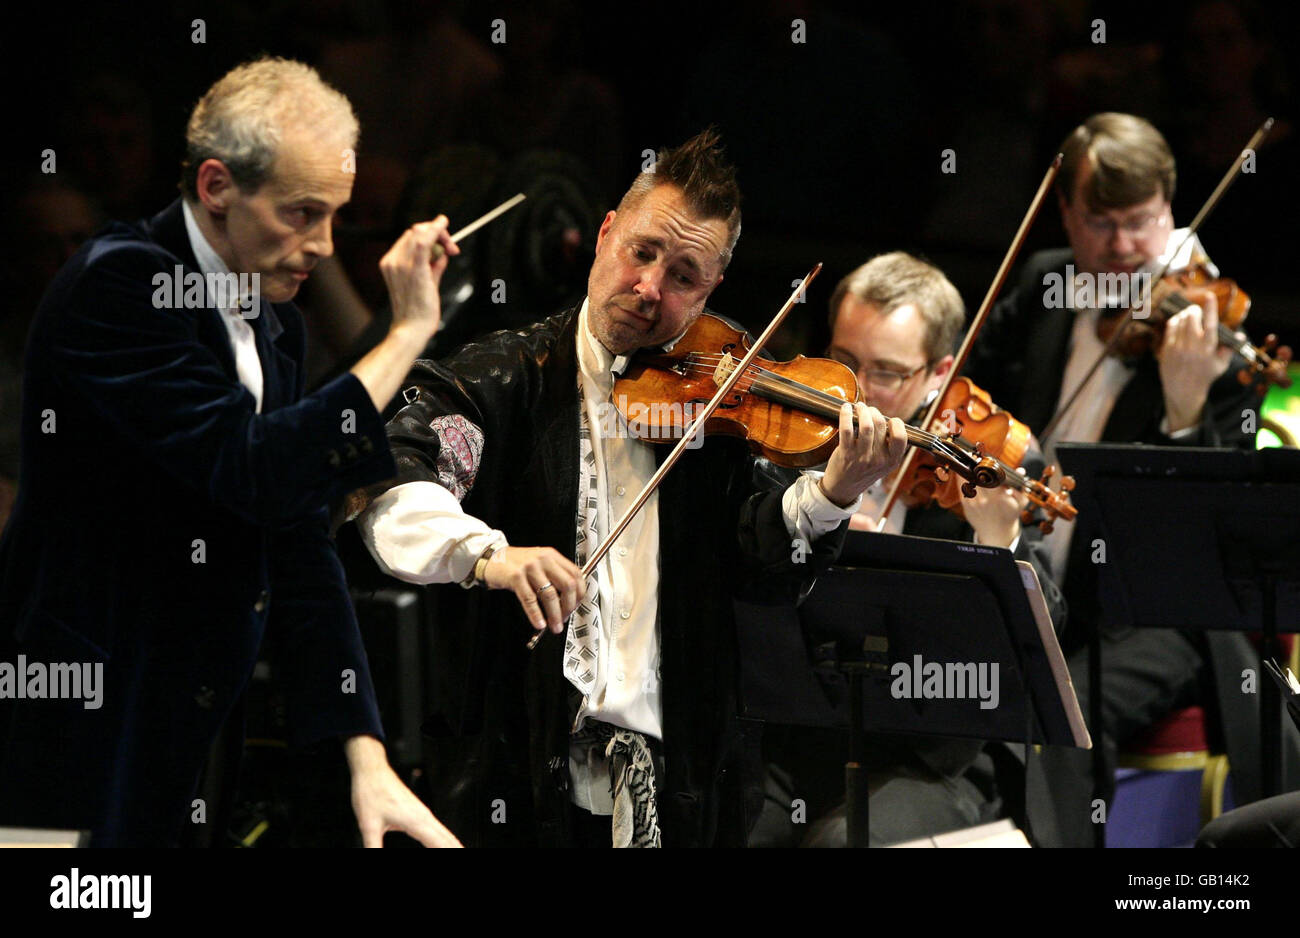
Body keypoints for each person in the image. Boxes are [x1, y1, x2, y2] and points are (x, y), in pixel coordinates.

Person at [355, 129, 907, 847]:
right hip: (516, 780)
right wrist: (490, 555)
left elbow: (762, 558)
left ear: (710, 288)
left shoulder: (725, 394)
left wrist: (835, 491)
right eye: (640, 252)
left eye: (683, 275)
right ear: (605, 233)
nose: (649, 288)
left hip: (680, 788)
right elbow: (391, 483)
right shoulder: (506, 375)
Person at [0, 57, 461, 848]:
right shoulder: (117, 286)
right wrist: (408, 331)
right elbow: (251, 466)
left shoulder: (272, 318)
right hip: (78, 731)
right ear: (216, 187)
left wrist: (367, 754)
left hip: (193, 734)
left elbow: (294, 539)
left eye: (335, 216)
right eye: (300, 213)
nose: (321, 244)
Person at [966, 112, 1296, 846]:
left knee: (1061, 712)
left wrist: (1185, 407)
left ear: (1171, 210)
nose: (1119, 248)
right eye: (1100, 223)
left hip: (1152, 611)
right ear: (1066, 214)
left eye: (1140, 223)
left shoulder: (1216, 333)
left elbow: (1212, 538)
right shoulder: (1046, 282)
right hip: (1026, 572)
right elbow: (971, 391)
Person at [752, 252, 1067, 846]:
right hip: (799, 740)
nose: (858, 393)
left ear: (938, 373)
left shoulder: (991, 459)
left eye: (888, 372)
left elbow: (1045, 634)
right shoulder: (793, 439)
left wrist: (999, 541)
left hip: (931, 759)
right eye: (844, 361)